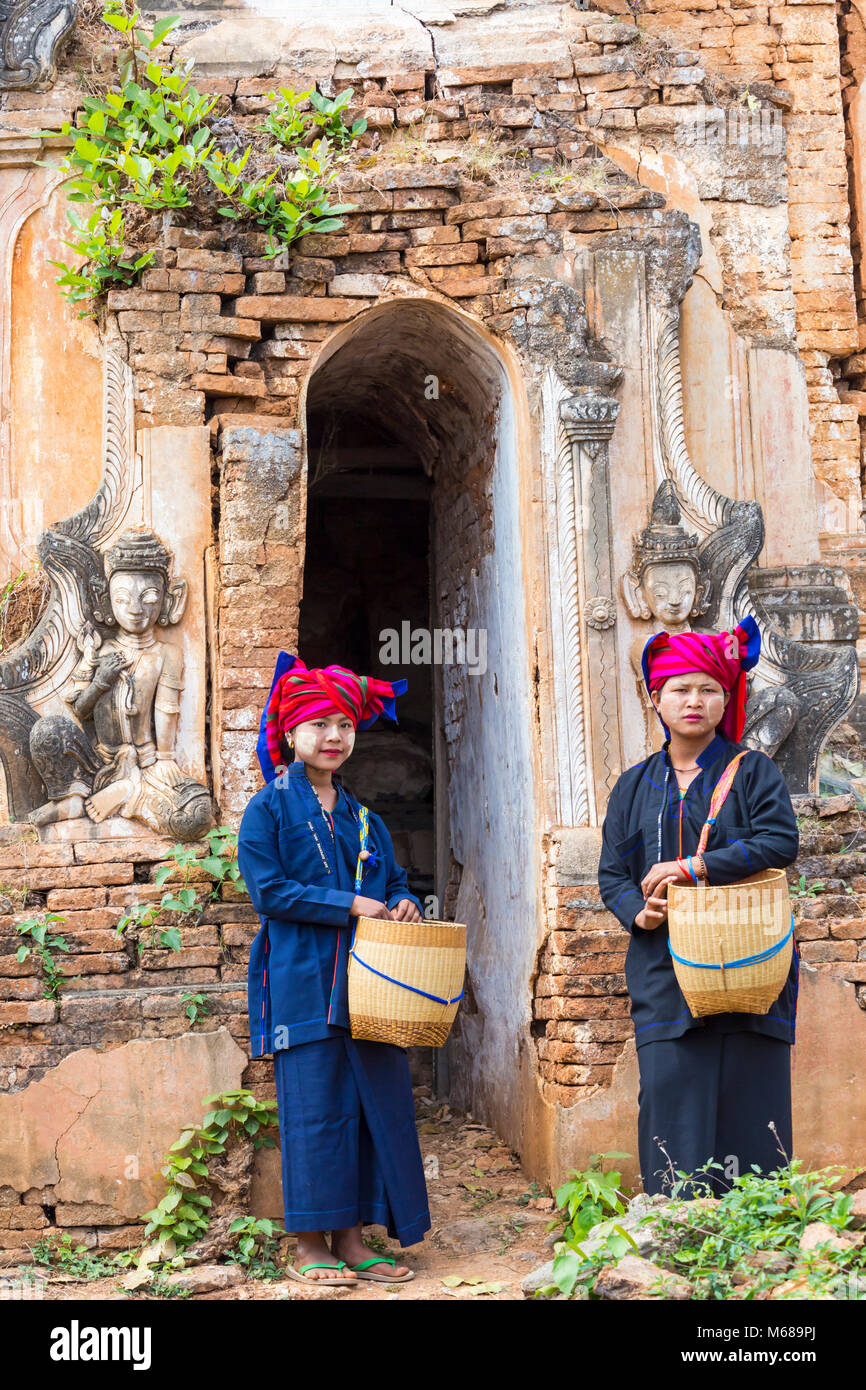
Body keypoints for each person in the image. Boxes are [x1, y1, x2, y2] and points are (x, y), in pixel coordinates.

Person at [238, 653, 430, 1285]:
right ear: (290, 734)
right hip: (303, 981)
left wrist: (400, 900)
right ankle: (308, 1245)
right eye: (319, 724)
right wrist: (348, 902)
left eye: (344, 724)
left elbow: (394, 883)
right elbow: (269, 892)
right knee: (315, 1108)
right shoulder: (267, 810)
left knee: (370, 1106)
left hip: (373, 984)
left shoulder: (365, 818)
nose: (334, 737)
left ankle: (353, 1239)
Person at [598, 617, 799, 1197]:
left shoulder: (754, 771)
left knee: (750, 1098)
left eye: (709, 689)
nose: (694, 701)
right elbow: (613, 874)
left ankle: (756, 1232)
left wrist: (696, 867)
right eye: (680, 689)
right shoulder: (633, 786)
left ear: (725, 698)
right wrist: (636, 912)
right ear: (655, 698)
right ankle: (674, 1225)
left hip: (750, 962)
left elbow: (780, 842)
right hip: (663, 969)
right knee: (671, 1096)